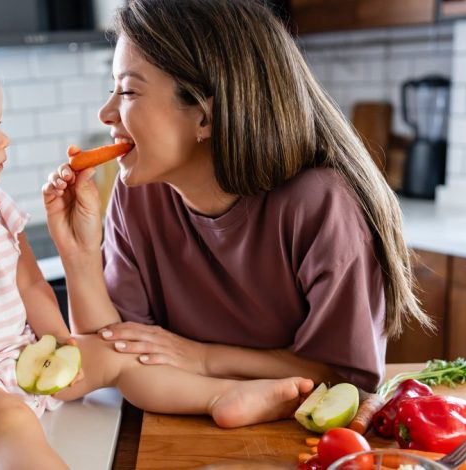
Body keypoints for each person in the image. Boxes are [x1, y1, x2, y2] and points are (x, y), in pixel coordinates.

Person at [0, 31, 312, 470]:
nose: (3, 139)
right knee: (9, 420)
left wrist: (61, 344)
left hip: (20, 364)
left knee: (121, 352)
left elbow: (32, 284)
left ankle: (220, 397)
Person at [43, 0, 432, 395]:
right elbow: (112, 353)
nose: (105, 112)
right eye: (113, 89)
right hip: (181, 418)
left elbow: (347, 377)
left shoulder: (321, 206)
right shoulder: (137, 195)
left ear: (204, 116)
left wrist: (202, 358)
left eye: (128, 91)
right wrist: (79, 254)